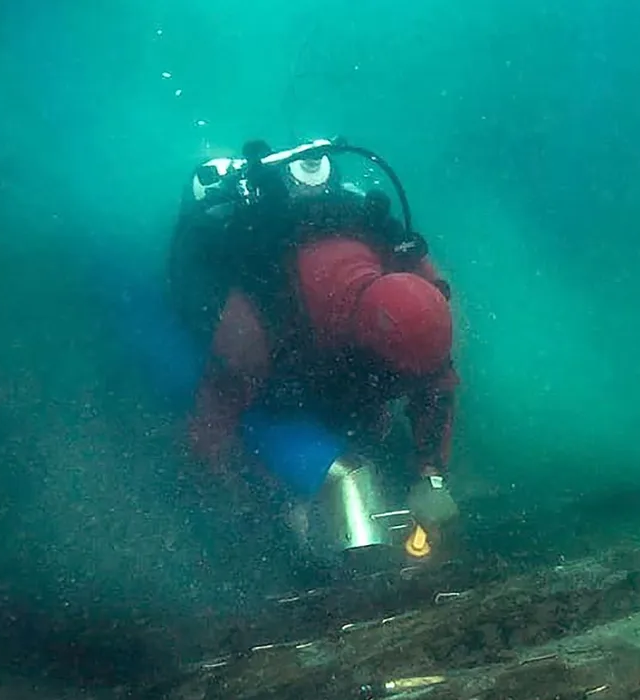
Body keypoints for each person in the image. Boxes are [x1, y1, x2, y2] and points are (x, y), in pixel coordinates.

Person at [166, 138, 461, 565]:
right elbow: (212, 427)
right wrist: (244, 501)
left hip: (328, 355)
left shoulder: (416, 282)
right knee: (287, 410)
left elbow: (436, 381)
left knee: (366, 424)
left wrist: (431, 476)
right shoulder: (258, 320)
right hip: (280, 362)